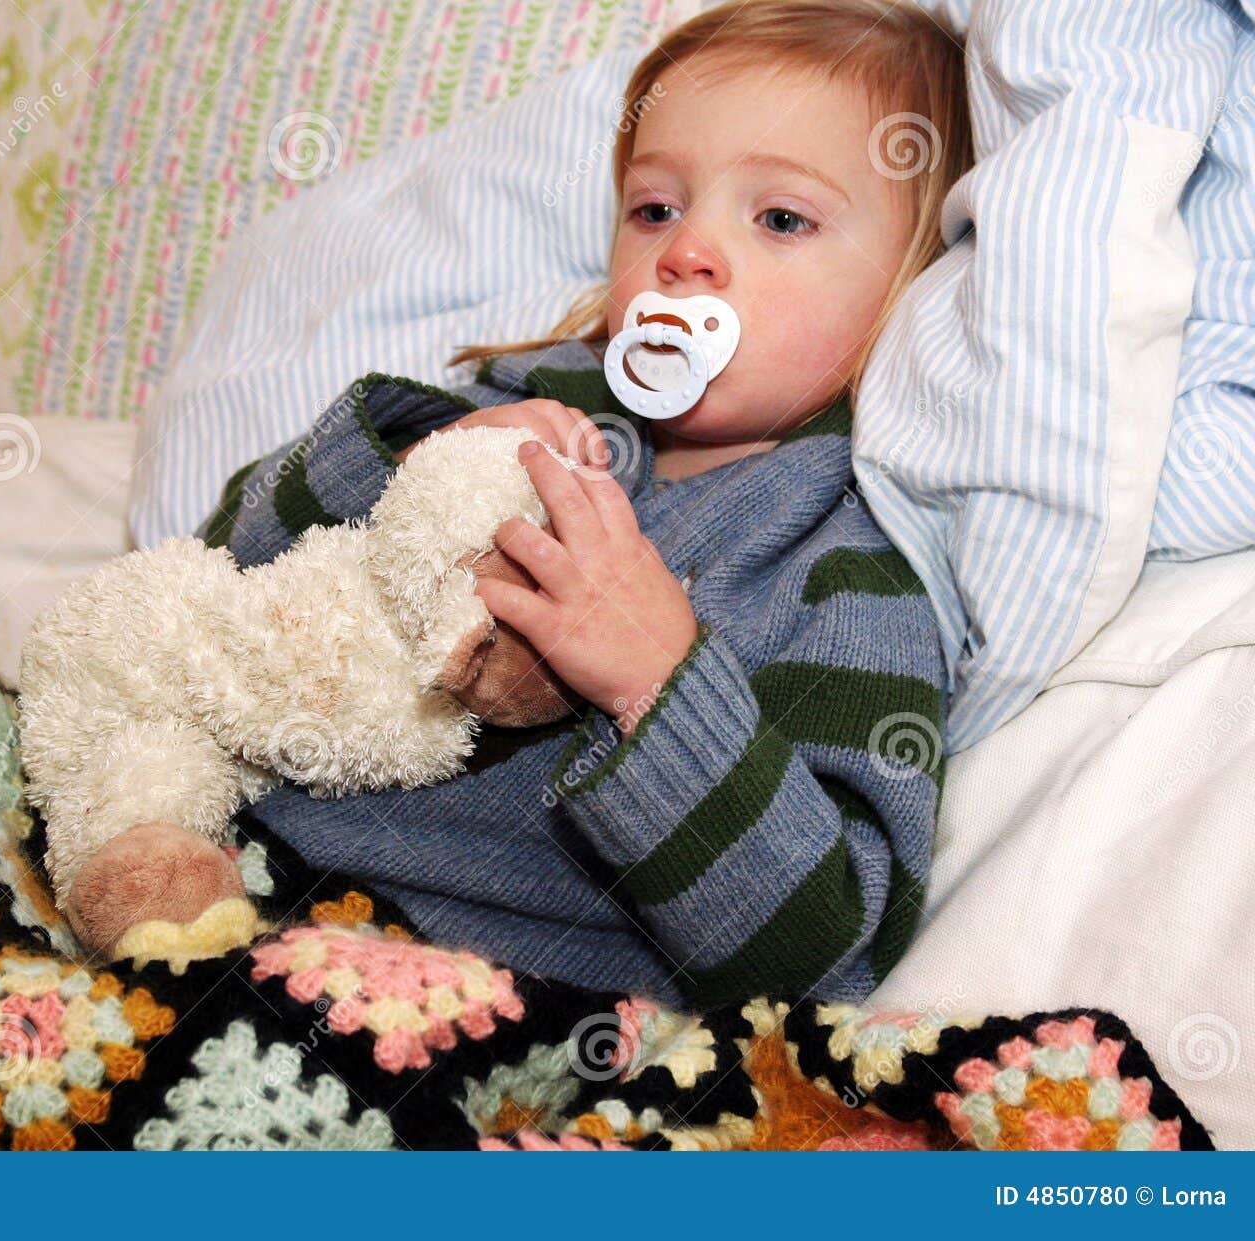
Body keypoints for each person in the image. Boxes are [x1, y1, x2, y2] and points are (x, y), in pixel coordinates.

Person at [192, 0, 968, 1009]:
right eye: (655, 208)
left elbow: (820, 955)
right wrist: (404, 465)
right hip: (198, 862)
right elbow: (219, 561)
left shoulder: (843, 573)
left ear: (911, 292)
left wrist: (657, 684)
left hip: (457, 1000)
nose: (687, 251)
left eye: (780, 218)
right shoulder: (518, 403)